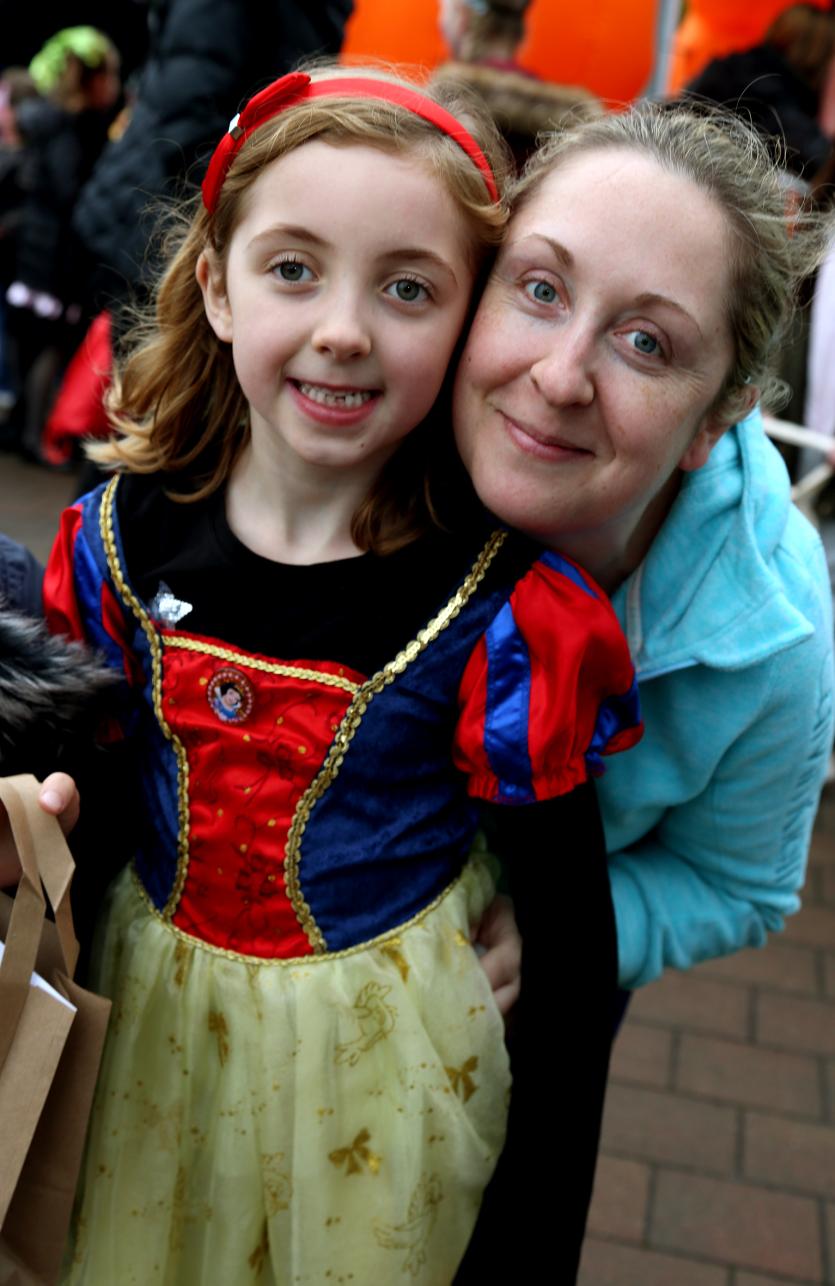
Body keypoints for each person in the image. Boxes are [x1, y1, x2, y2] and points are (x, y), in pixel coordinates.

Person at [42, 68, 641, 1284]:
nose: (343, 329)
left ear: (470, 320)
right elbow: (86, 805)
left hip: (381, 1064)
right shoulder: (111, 545)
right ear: (215, 285)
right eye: (293, 268)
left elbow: (572, 947)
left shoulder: (502, 612)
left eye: (408, 288)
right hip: (145, 1026)